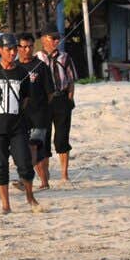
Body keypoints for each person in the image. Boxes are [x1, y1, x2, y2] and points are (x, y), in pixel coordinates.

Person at [0, 33, 42, 214]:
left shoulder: (22, 72)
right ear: (0, 51)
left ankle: (30, 196)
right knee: (0, 165)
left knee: (24, 163)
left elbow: (26, 98)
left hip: (18, 128)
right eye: (9, 49)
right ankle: (5, 205)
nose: (13, 52)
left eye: (15, 49)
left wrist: (14, 109)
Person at [15, 33, 55, 189]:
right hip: (20, 116)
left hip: (40, 114)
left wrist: (41, 108)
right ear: (17, 48)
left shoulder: (41, 67)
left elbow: (50, 92)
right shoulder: (14, 67)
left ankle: (28, 180)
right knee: (27, 149)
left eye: (30, 46)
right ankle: (42, 182)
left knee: (37, 147)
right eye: (23, 46)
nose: (27, 50)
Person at [39, 29, 78, 185]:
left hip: (61, 99)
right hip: (43, 102)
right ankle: (45, 175)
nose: (56, 41)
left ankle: (64, 174)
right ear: (44, 39)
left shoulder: (65, 57)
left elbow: (71, 80)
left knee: (62, 137)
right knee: (44, 137)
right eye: (53, 38)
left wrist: (70, 98)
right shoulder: (38, 58)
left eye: (58, 38)